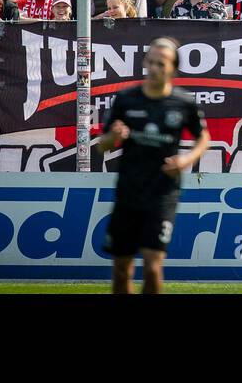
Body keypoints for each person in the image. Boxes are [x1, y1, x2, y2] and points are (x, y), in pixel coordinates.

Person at [98, 37, 210, 295]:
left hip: (162, 192)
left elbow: (203, 138)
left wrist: (185, 159)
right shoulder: (126, 99)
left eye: (162, 63)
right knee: (121, 269)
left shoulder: (183, 103)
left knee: (152, 266)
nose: (155, 67)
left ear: (173, 68)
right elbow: (101, 146)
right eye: (152, 61)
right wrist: (112, 139)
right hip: (128, 191)